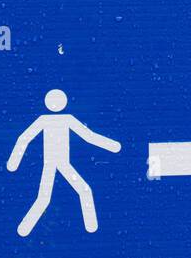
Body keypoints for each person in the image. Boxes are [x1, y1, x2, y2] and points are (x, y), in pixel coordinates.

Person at [7, 89, 121, 236]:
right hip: (53, 163)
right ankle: (24, 230)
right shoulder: (48, 120)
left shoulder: (61, 119)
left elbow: (88, 136)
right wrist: (13, 163)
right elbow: (25, 138)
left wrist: (112, 146)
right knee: (79, 191)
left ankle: (25, 229)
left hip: (61, 163)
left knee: (52, 196)